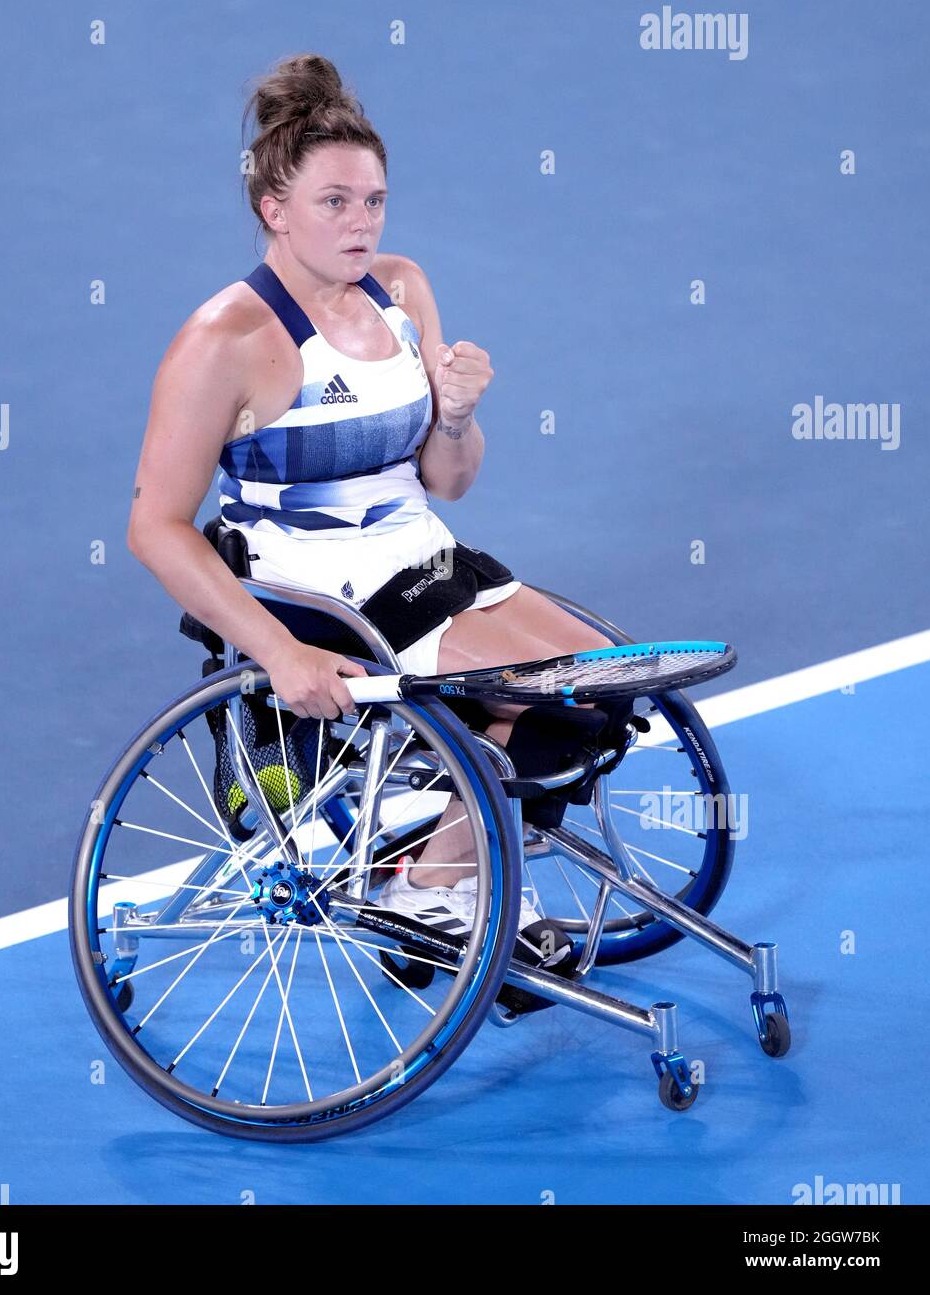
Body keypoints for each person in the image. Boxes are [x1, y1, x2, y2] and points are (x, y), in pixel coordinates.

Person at [127, 53, 613, 963]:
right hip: (319, 593)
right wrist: (276, 651)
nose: (361, 223)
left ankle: (439, 877)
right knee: (559, 714)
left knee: (603, 695)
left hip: (426, 562)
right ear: (273, 210)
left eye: (374, 200)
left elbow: (448, 479)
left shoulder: (400, 289)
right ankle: (433, 894)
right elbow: (153, 527)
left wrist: (458, 418)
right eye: (334, 203)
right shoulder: (222, 342)